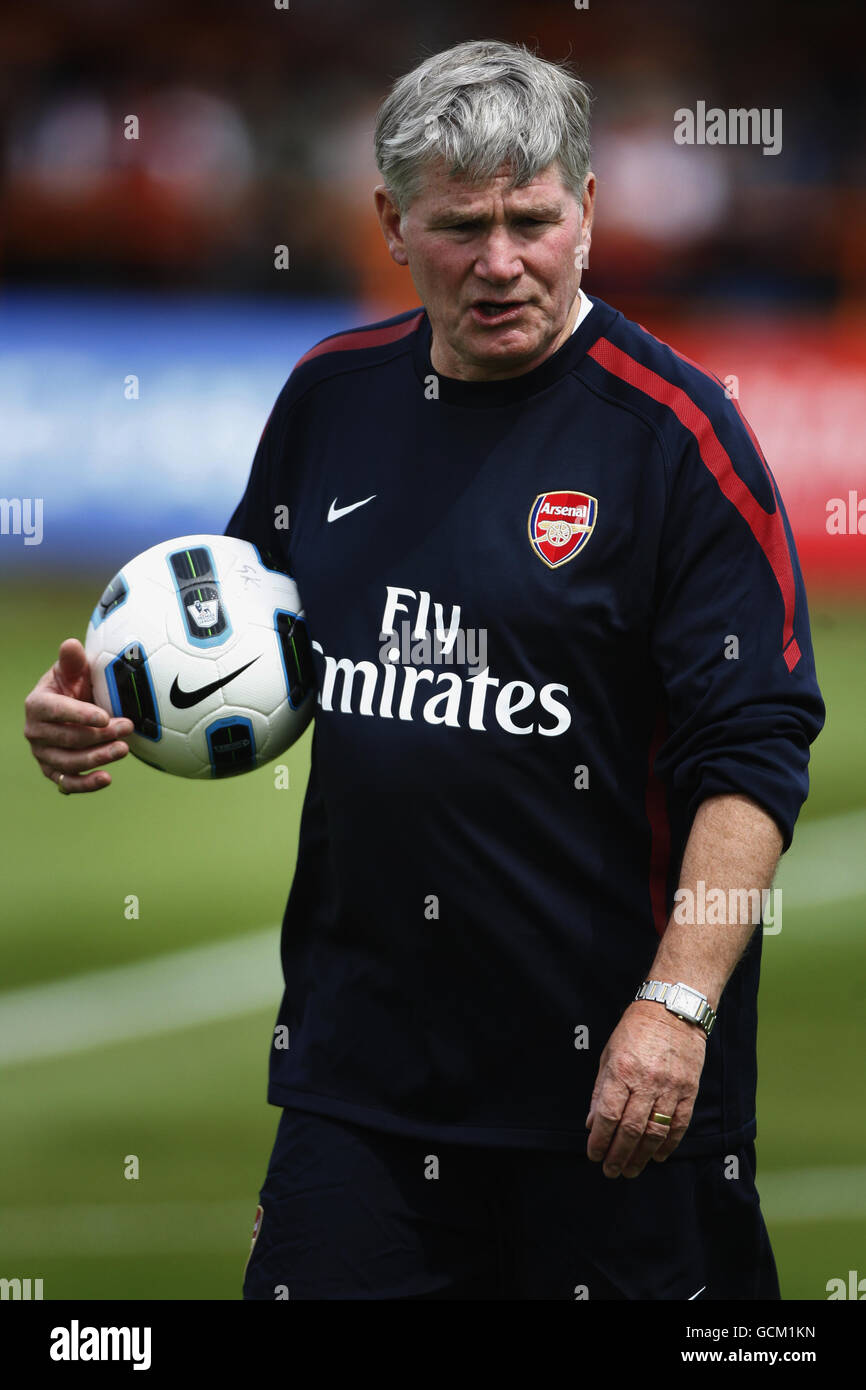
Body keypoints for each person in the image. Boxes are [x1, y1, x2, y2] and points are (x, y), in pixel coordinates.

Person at [24, 39, 824, 1300]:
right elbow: (240, 649)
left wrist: (675, 1008)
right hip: (364, 1083)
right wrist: (97, 713)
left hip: (616, 1091)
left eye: (531, 219)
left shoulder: (677, 442)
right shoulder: (330, 400)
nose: (500, 261)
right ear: (391, 222)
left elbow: (755, 751)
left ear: (589, 213)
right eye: (461, 226)